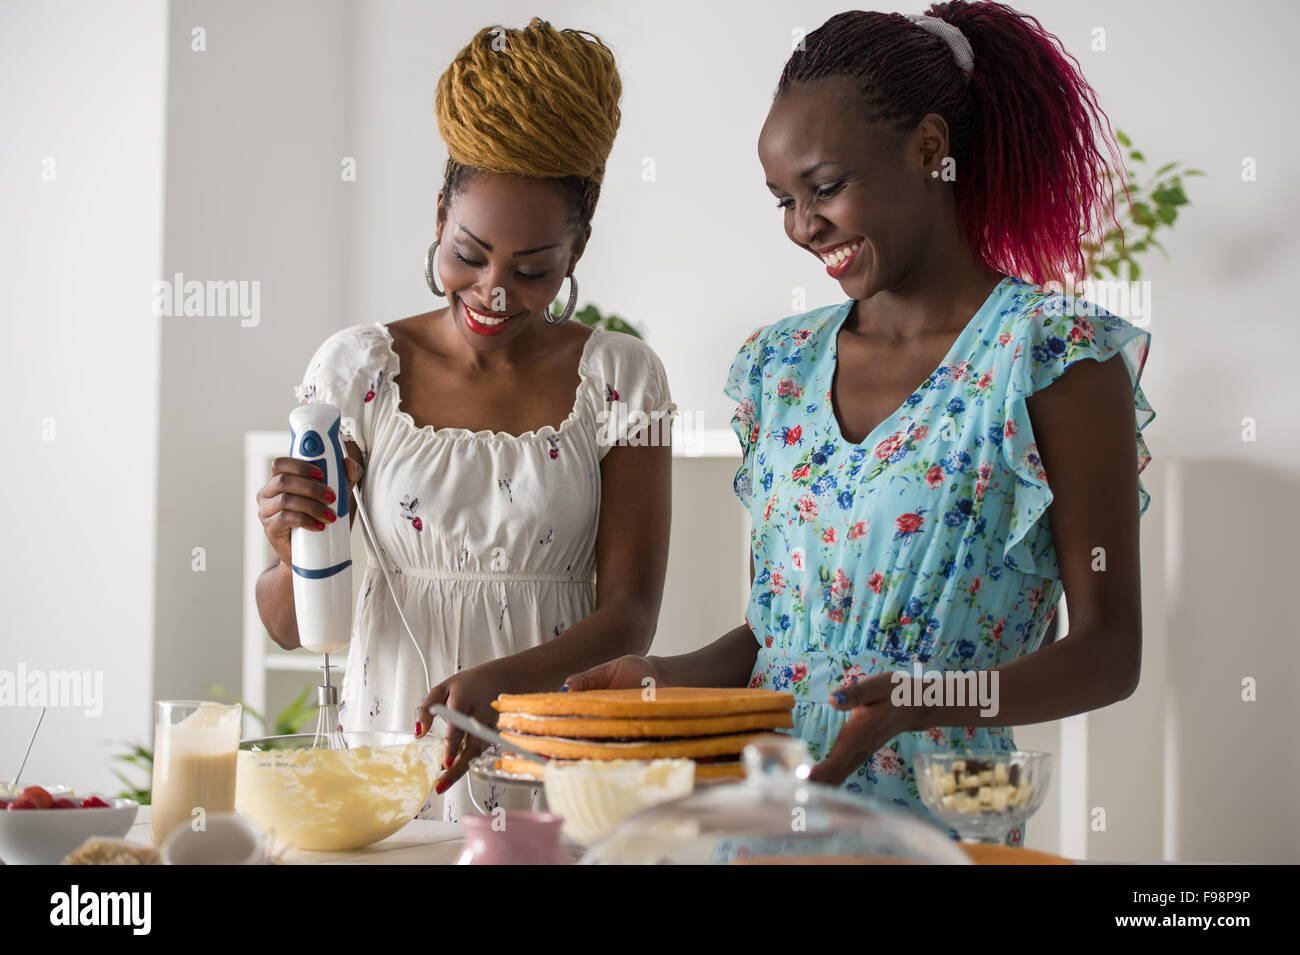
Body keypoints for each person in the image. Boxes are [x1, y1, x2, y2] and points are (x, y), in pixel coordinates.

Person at [565, 2, 1155, 845]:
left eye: (826, 188)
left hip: (939, 823)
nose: (804, 228)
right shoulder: (777, 367)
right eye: (783, 201)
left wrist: (928, 699)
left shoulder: (1053, 358)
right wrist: (660, 678)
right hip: (758, 821)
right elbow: (786, 644)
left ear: (927, 149)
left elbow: (1109, 652)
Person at [255, 19, 674, 822]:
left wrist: (502, 682)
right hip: (384, 760)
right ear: (439, 212)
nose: (492, 290)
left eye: (532, 269)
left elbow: (630, 614)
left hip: (546, 755)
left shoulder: (624, 380)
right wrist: (289, 553)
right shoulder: (356, 372)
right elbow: (291, 627)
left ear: (576, 249)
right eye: (469, 253)